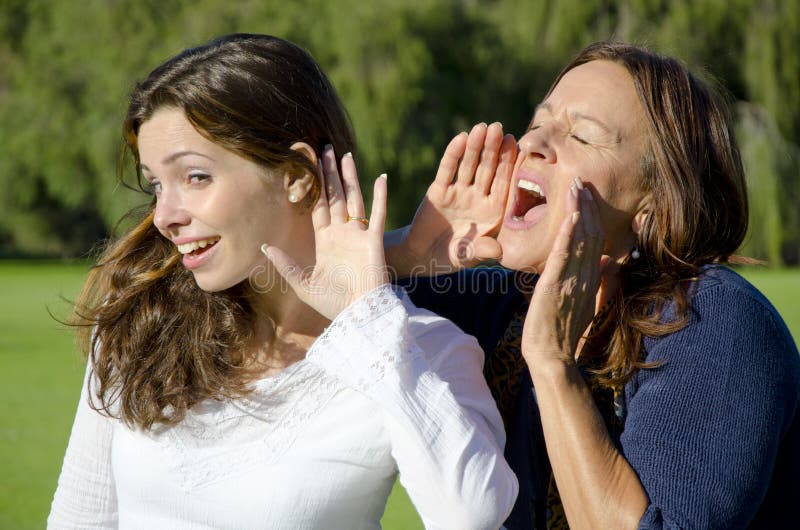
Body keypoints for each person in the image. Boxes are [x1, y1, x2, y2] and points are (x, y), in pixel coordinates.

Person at [48, 34, 518, 529]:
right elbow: (80, 518)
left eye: (196, 177)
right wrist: (402, 252)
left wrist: (368, 314)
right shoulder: (141, 323)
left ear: (296, 175)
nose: (164, 216)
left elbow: (472, 514)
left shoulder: (412, 348)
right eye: (156, 184)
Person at [387, 41, 800, 529]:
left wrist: (552, 363)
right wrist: (415, 253)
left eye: (582, 137)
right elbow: (303, 294)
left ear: (653, 207)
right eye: (538, 123)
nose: (534, 144)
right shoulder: (502, 303)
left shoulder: (711, 319)